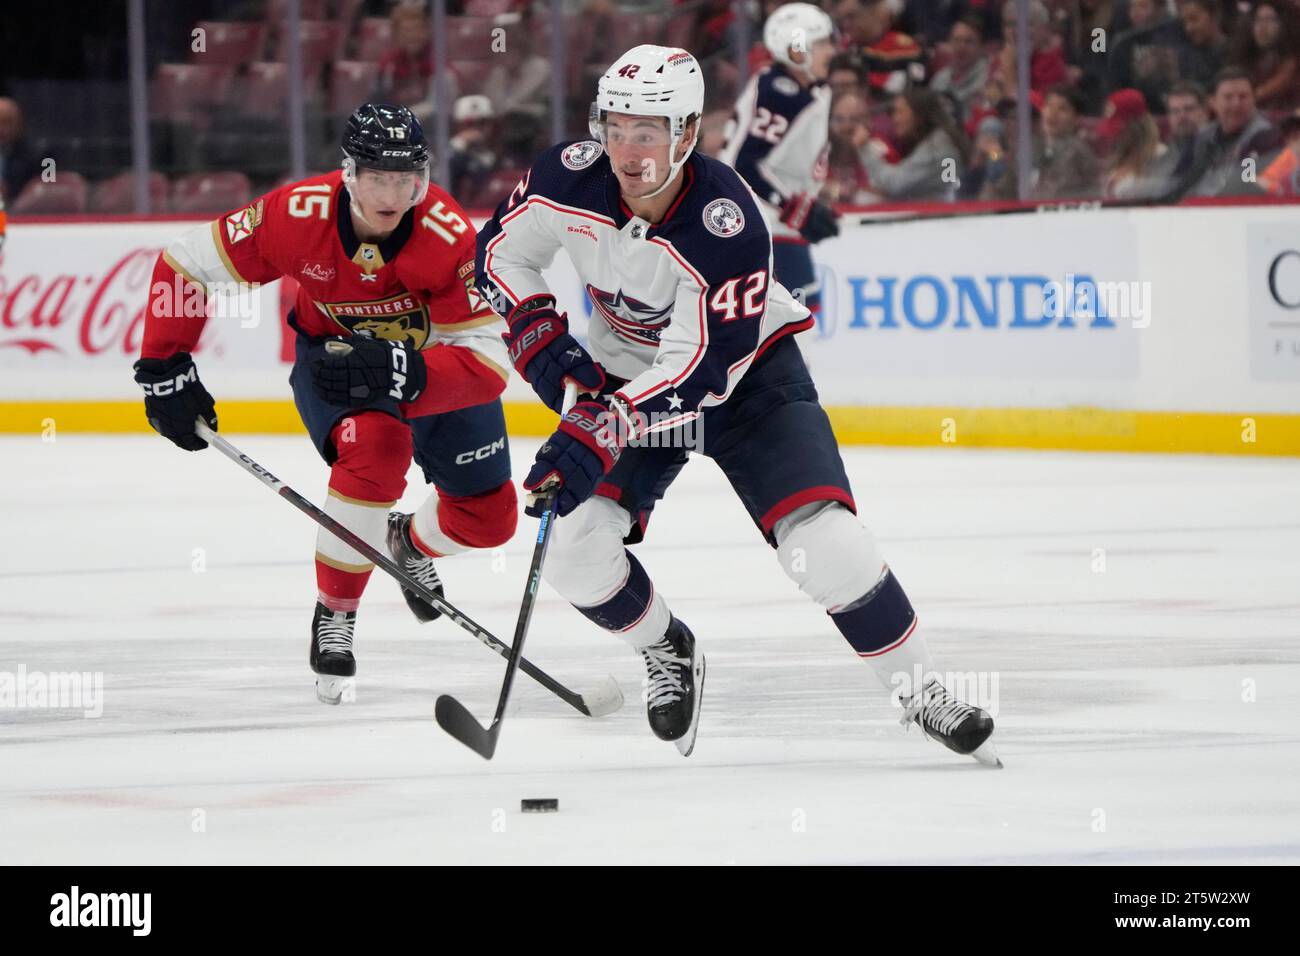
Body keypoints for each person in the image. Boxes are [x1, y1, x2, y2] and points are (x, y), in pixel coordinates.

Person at [475, 44, 999, 764]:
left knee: (827, 547)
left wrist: (602, 423)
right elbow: (498, 255)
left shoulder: (727, 221)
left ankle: (921, 693)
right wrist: (542, 340)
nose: (627, 151)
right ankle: (668, 649)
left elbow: (702, 367)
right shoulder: (562, 179)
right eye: (616, 127)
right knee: (573, 548)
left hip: (747, 383)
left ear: (686, 134)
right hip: (626, 379)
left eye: (648, 132)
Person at [133, 105, 515, 704]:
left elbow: (490, 359)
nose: (393, 195)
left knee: (490, 520)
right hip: (336, 367)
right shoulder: (295, 215)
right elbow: (187, 263)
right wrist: (164, 365)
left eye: (406, 179)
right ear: (348, 175)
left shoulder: (448, 236)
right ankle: (336, 613)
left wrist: (407, 371)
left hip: (434, 372)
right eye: (377, 178)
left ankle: (407, 541)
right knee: (378, 453)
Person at [720, 3, 840, 318]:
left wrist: (810, 197)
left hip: (775, 229)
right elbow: (742, 165)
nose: (831, 51)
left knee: (794, 324)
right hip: (765, 230)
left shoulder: (801, 90)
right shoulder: (781, 93)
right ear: (797, 50)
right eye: (823, 43)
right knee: (792, 328)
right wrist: (791, 206)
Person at [1182, 67, 1279, 196]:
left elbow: (1246, 185)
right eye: (1228, 97)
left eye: (1243, 97)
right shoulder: (1201, 137)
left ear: (1254, 100)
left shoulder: (1267, 137)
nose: (1236, 104)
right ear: (1213, 102)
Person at [862, 87, 970, 200]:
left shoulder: (938, 146)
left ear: (919, 115)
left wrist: (864, 148)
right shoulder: (938, 140)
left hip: (939, 213)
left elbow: (894, 184)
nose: (895, 119)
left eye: (900, 112)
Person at [929, 15, 991, 123]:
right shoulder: (939, 78)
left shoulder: (988, 77)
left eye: (968, 41)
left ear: (981, 47)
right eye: (956, 40)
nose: (961, 47)